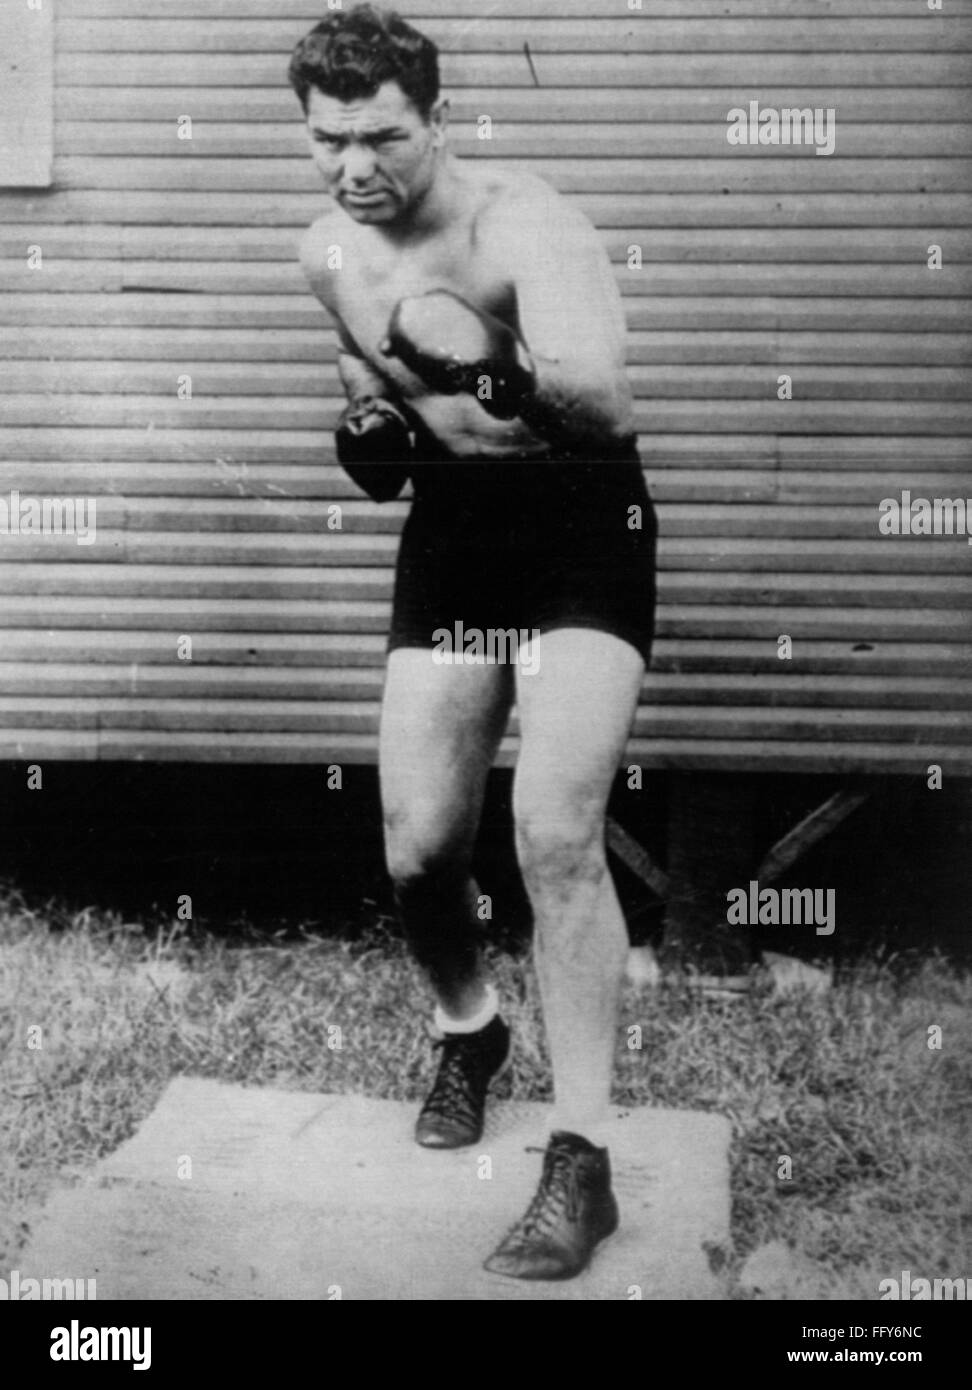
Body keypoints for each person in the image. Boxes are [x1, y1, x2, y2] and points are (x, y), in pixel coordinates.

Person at [291, 4, 657, 1281]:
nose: (355, 167)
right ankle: (471, 1029)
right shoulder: (328, 251)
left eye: (382, 137)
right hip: (459, 539)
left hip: (579, 530)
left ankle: (581, 1157)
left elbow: (606, 408)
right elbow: (368, 390)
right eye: (329, 141)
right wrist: (371, 432)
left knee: (554, 830)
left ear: (435, 120)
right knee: (418, 851)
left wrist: (490, 364)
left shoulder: (526, 221)